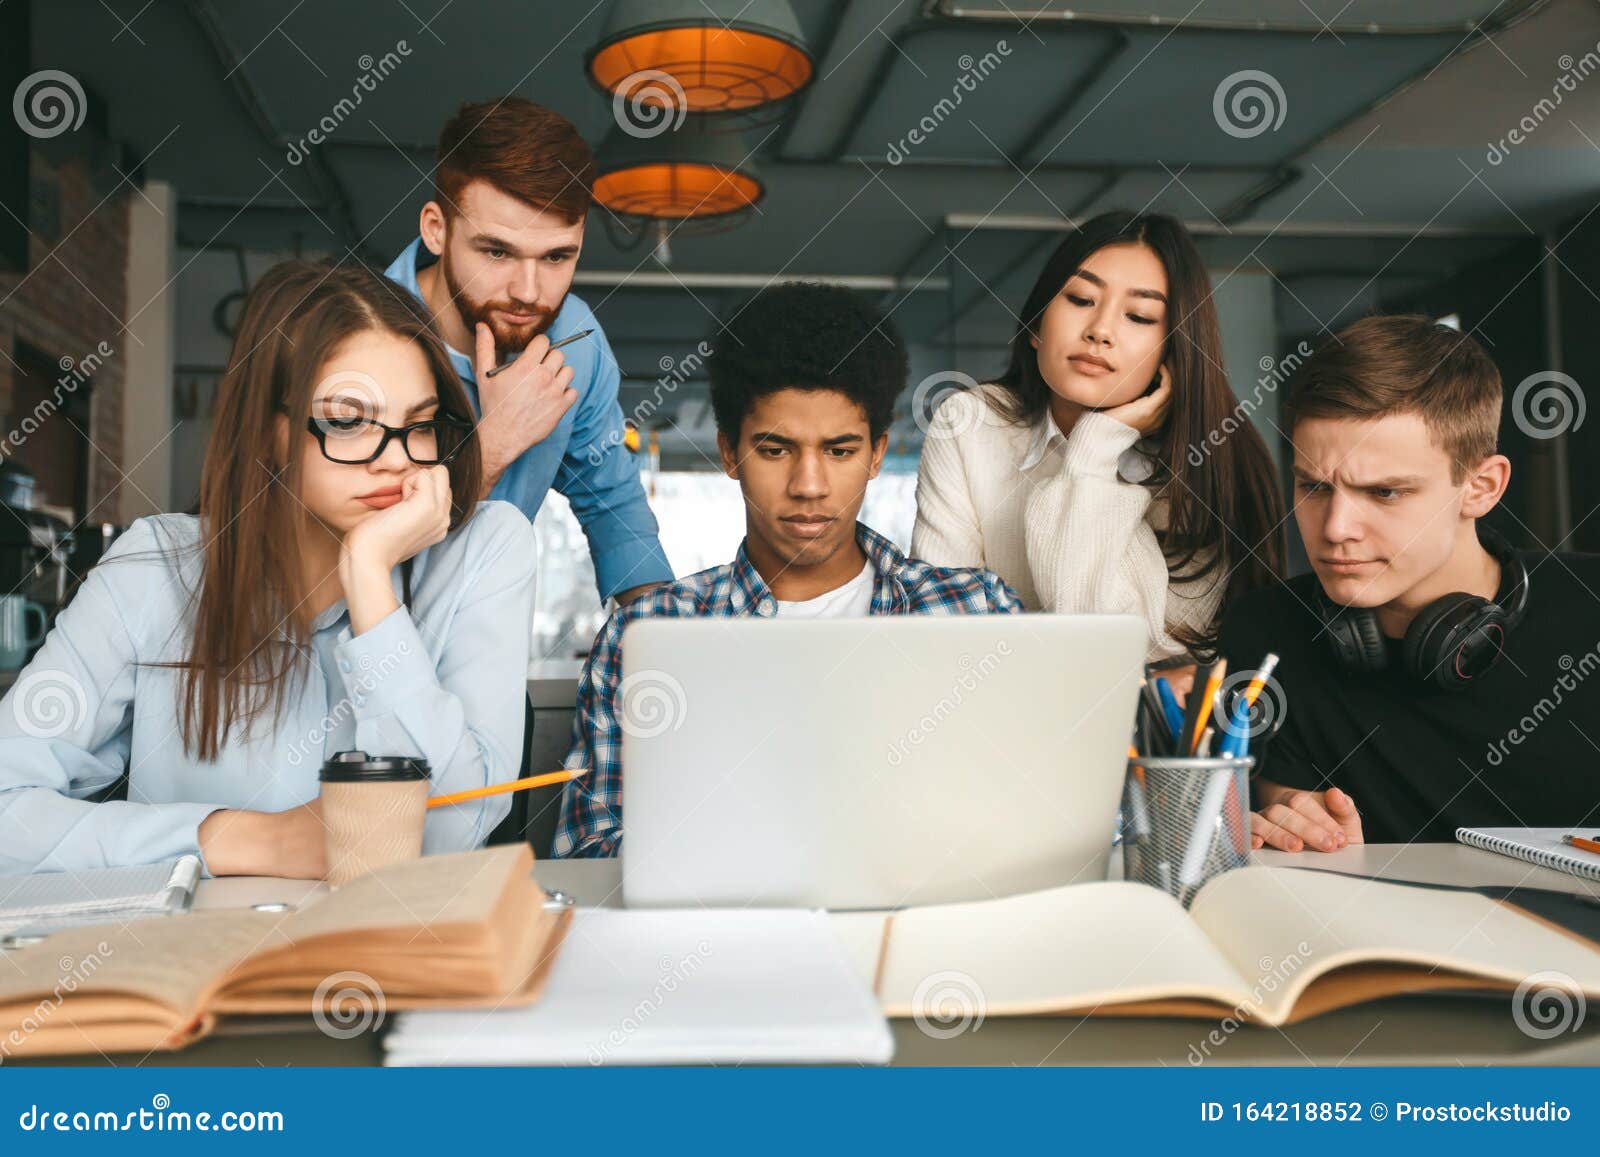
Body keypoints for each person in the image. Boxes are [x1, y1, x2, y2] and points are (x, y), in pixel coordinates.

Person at [0, 261, 536, 877]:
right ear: (269, 432)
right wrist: (233, 839)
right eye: (348, 420)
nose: (397, 460)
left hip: (385, 952)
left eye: (419, 424)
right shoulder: (153, 569)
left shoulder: (485, 550)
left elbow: (449, 831)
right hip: (193, 960)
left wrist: (368, 578)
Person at [552, 283, 1023, 857]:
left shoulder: (973, 614)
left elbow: (1028, 817)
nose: (809, 486)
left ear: (877, 454)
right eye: (775, 450)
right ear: (730, 453)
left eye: (840, 451)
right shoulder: (648, 636)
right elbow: (587, 850)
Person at [1219, 314, 1600, 850]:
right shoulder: (1263, 634)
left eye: (1385, 493)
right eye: (1315, 487)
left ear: (1482, 487)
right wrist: (1296, 827)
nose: (1335, 530)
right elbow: (1293, 826)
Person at [912, 210, 1284, 661]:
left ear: (1174, 349)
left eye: (1140, 316)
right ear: (1035, 326)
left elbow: (1104, 650)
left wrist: (1096, 449)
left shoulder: (1210, 464)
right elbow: (940, 632)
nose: (1100, 331)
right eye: (1081, 299)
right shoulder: (970, 424)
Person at [385, 97, 671, 604]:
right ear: (436, 228)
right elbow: (345, 563)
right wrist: (492, 447)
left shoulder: (576, 340)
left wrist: (667, 651)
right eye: (497, 252)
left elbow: (614, 509)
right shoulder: (351, 340)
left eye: (558, 256)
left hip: (494, 658)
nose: (529, 292)